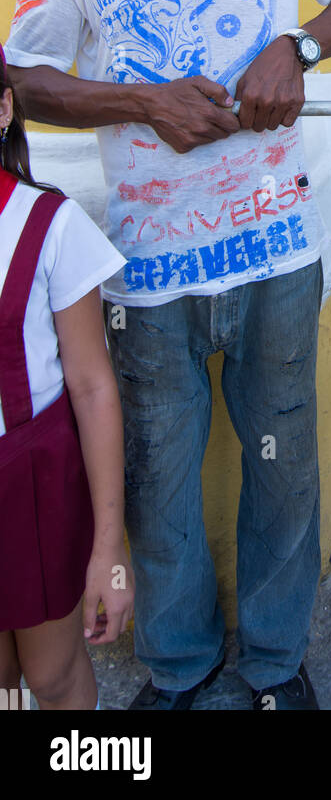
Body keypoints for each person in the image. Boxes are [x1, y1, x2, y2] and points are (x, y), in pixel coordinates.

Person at [5, 0, 331, 711]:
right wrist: (139, 100)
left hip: (275, 248)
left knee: (283, 469)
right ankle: (178, 670)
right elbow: (22, 76)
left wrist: (293, 46)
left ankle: (272, 662)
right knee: (161, 478)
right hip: (147, 263)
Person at [0, 43, 133, 709]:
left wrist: (109, 547)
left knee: (49, 676)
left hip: (30, 487)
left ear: (3, 109)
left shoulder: (48, 226)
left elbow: (92, 385)